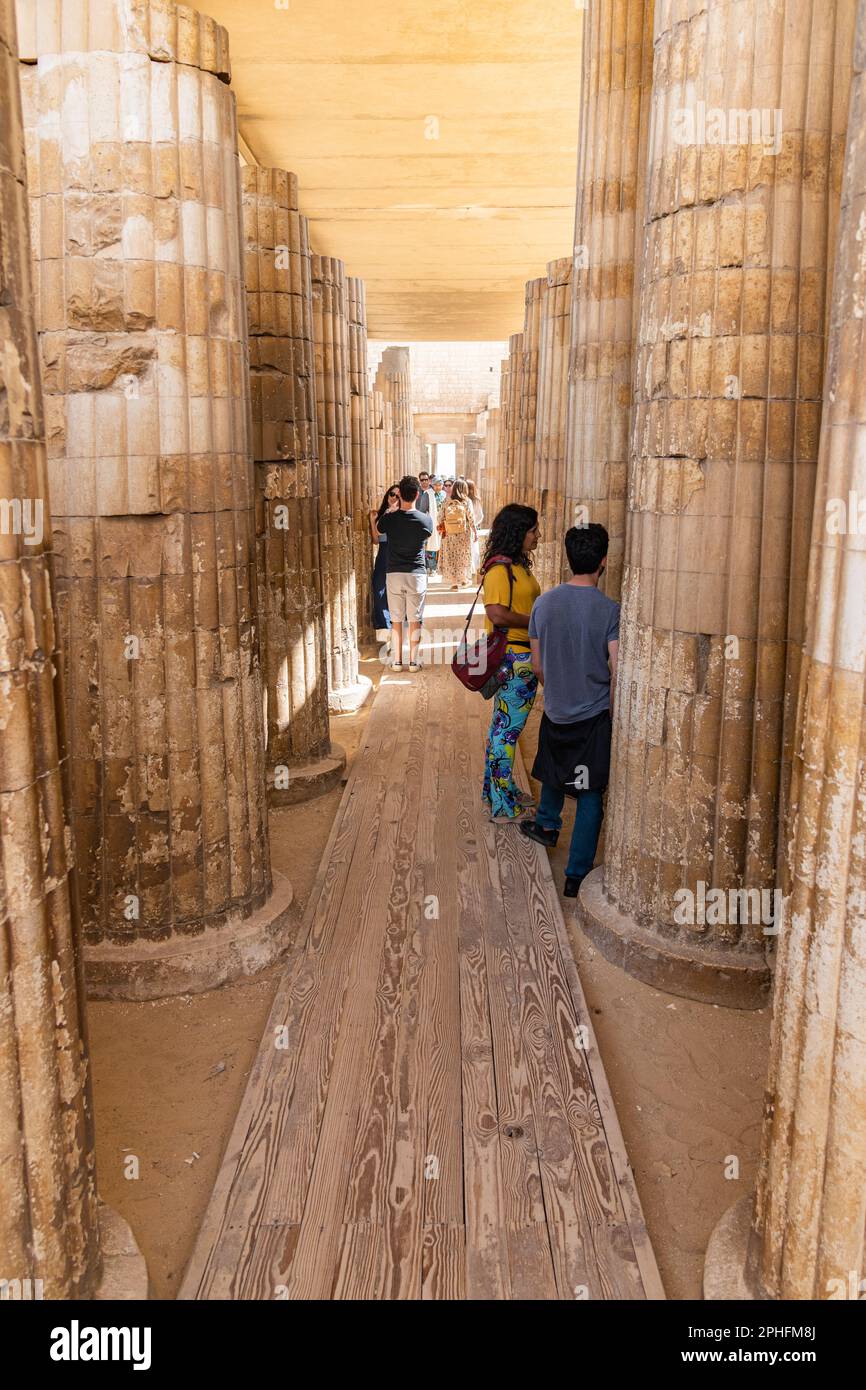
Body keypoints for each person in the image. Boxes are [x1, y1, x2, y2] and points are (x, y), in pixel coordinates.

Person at [520, 523, 619, 897]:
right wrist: (609, 711)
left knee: (553, 766)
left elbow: (538, 663)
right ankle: (576, 874)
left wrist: (557, 689)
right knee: (590, 789)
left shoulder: (543, 603)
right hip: (592, 715)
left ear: (568, 558)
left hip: (557, 706)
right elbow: (616, 666)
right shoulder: (610, 610)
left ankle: (547, 825)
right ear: (603, 562)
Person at [480, 504, 541, 822]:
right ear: (518, 531)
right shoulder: (499, 570)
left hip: (518, 658)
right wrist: (535, 623)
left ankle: (496, 791)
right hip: (515, 659)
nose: (537, 536)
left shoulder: (515, 566)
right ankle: (503, 805)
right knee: (508, 732)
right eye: (533, 530)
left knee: (501, 730)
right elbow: (497, 613)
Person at [376, 475, 434, 672]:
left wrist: (392, 509)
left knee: (397, 619)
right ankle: (413, 661)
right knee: (415, 618)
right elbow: (428, 534)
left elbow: (379, 527)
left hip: (394, 573)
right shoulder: (425, 520)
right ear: (418, 494)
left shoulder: (390, 519)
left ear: (399, 493)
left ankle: (397, 661)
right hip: (416, 573)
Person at [369, 484, 400, 633]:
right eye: (391, 494)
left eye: (397, 496)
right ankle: (384, 624)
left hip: (396, 552)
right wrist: (372, 520)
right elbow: (375, 539)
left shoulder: (401, 514)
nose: (394, 497)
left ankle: (396, 623)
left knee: (395, 589)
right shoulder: (381, 513)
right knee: (378, 585)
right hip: (383, 551)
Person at [438, 477, 477, 589]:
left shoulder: (447, 501)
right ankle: (464, 580)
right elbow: (471, 518)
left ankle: (454, 583)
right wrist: (474, 531)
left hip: (449, 535)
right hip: (463, 534)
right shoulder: (467, 501)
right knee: (463, 557)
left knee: (451, 558)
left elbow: (440, 517)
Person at [416, 469, 440, 575]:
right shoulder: (417, 492)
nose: (424, 481)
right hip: (421, 522)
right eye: (422, 480)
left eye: (426, 479)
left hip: (435, 521)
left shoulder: (433, 492)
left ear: (429, 481)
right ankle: (426, 565)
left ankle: (433, 567)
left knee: (433, 545)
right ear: (419, 481)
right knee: (425, 545)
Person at [466, 478, 484, 576]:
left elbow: (480, 516)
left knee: (474, 552)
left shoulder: (476, 500)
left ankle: (472, 573)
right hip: (465, 529)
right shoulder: (462, 500)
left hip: (472, 530)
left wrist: (472, 524)